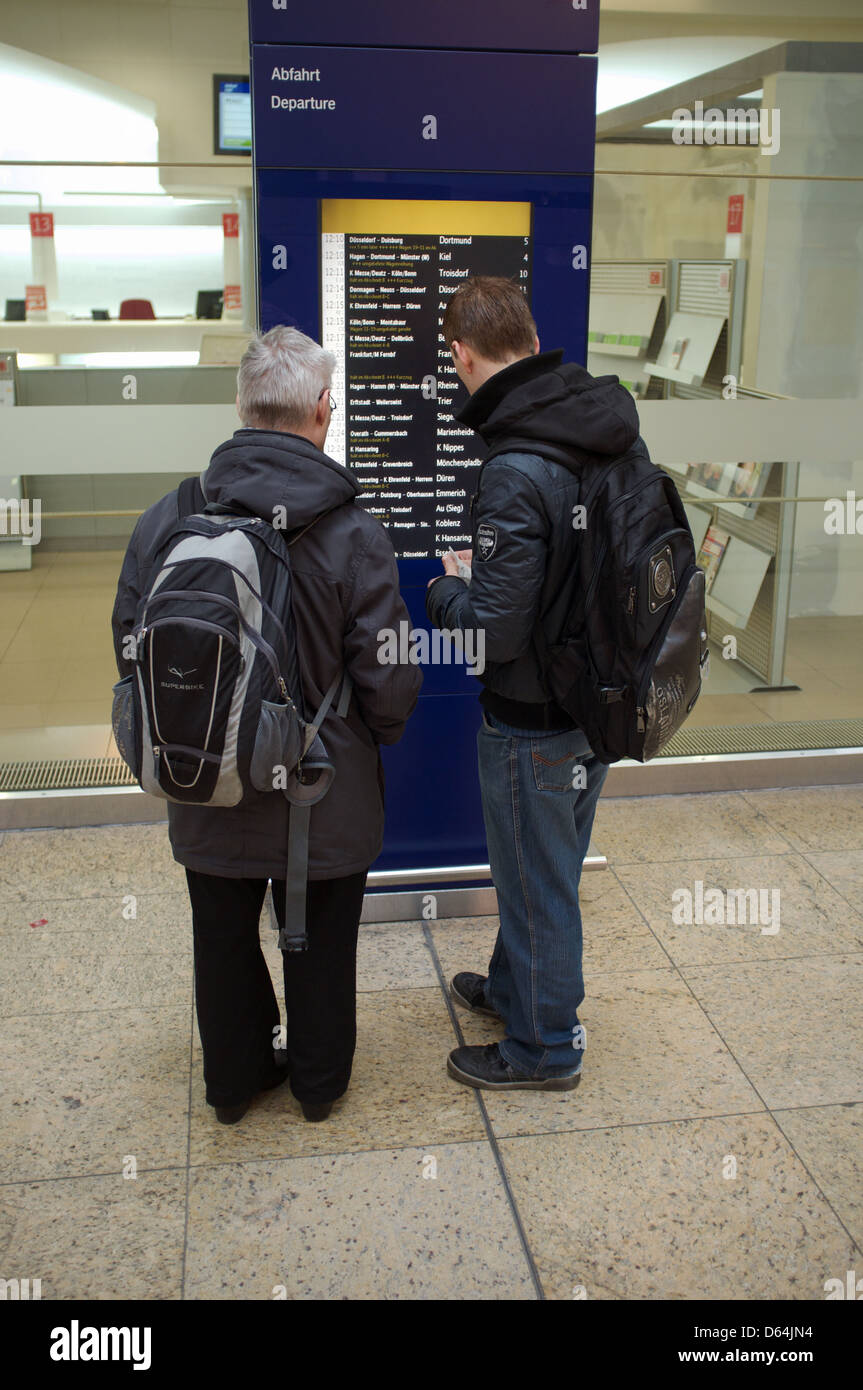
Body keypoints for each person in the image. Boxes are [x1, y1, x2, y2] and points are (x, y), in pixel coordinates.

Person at [112, 327, 421, 1124]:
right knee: (317, 941)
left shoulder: (170, 516)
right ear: (324, 409)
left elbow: (128, 646)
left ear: (242, 408)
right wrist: (379, 730)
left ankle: (234, 1083)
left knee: (221, 941)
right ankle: (318, 1085)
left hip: (203, 779)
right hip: (322, 791)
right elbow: (386, 677)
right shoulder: (354, 533)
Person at [426, 276, 641, 1091]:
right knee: (540, 868)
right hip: (596, 699)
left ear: (463, 354)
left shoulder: (515, 465)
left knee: (537, 885)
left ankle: (544, 1049)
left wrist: (449, 589)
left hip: (533, 718)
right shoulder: (603, 427)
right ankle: (517, 989)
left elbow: (492, 634)